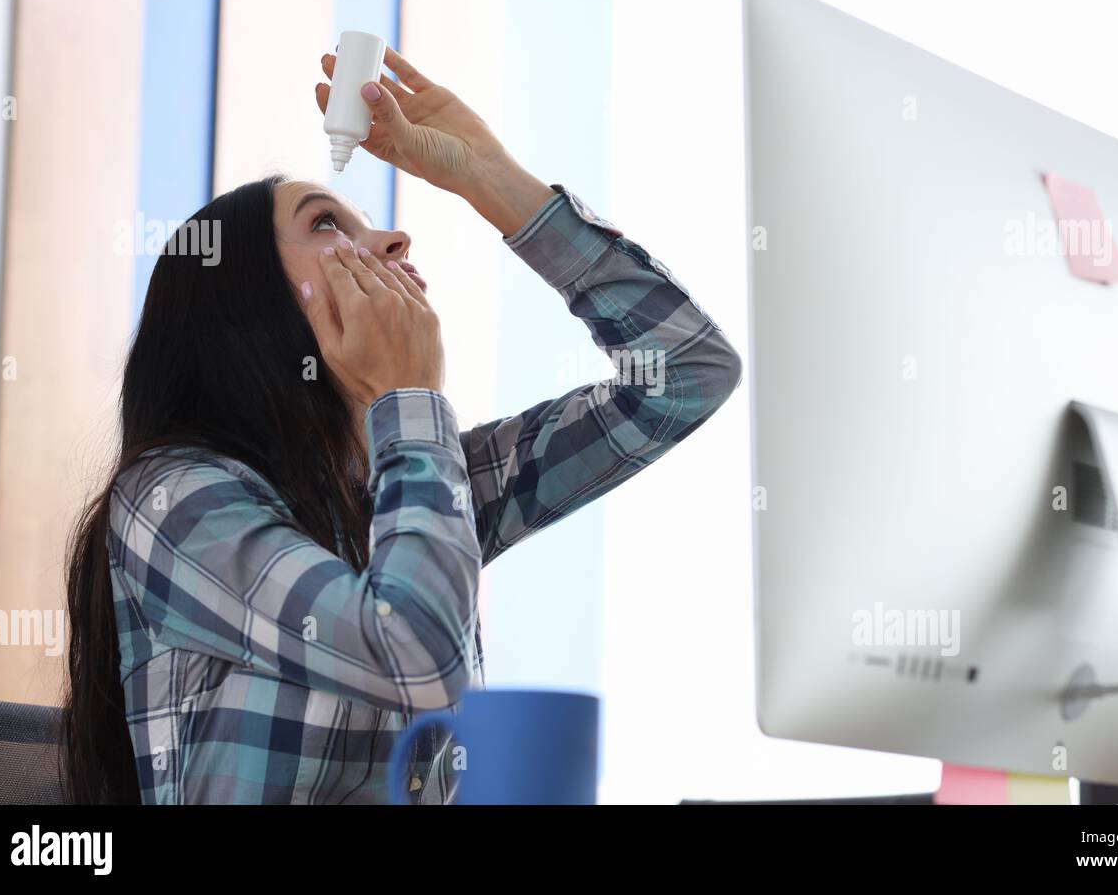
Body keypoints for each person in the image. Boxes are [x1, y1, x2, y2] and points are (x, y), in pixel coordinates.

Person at [61, 47, 741, 803]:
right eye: (326, 223)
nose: (393, 243)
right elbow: (414, 654)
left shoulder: (416, 485)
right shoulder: (173, 501)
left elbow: (686, 372)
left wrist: (493, 181)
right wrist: (408, 394)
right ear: (245, 306)